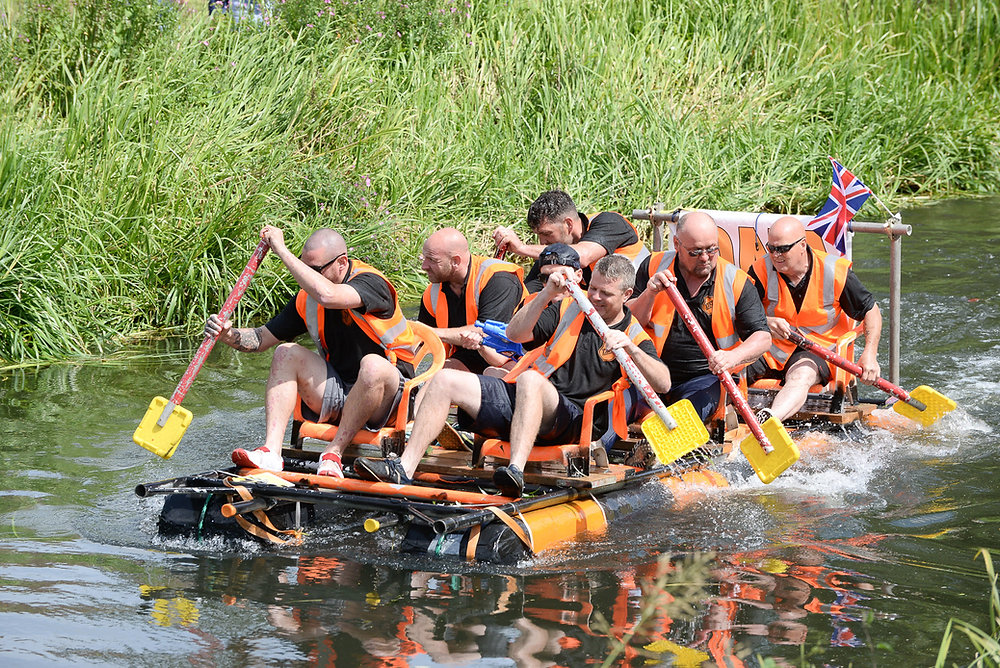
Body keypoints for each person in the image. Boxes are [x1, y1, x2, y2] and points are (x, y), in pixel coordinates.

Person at [353, 254, 670, 497]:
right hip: (525, 402)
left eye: (606, 294)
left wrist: (633, 351)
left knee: (532, 381)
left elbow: (664, 384)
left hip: (572, 421)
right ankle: (403, 469)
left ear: (627, 294)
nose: (596, 298)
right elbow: (515, 334)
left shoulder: (633, 334)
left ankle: (515, 470)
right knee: (445, 379)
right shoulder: (570, 307)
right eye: (594, 289)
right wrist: (546, 294)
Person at [205, 226, 419, 477]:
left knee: (372, 365)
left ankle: (333, 454)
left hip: (390, 399)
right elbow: (261, 339)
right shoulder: (307, 298)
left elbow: (329, 295)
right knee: (285, 352)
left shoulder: (372, 283)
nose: (306, 277)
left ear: (341, 263)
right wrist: (228, 334)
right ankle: (271, 452)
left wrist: (281, 251)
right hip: (342, 392)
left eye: (314, 271)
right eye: (305, 268)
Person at [628, 211, 772, 424]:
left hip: (706, 379)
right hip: (653, 372)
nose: (705, 258)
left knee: (688, 414)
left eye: (712, 249)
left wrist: (731, 358)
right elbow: (631, 321)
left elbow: (763, 337)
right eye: (695, 252)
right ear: (677, 244)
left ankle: (663, 450)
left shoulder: (736, 281)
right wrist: (650, 293)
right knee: (619, 403)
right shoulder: (653, 266)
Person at [746, 216, 882, 421]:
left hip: (817, 350)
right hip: (772, 349)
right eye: (771, 248)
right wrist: (765, 322)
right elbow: (741, 315)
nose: (775, 255)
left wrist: (870, 354)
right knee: (732, 365)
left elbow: (871, 310)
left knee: (801, 375)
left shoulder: (835, 271)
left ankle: (769, 421)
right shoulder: (759, 270)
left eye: (782, 249)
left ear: (802, 245)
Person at [493, 189, 650, 293]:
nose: (542, 242)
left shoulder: (611, 222)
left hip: (641, 308)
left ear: (568, 224)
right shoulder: (553, 252)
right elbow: (528, 294)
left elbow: (580, 256)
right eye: (538, 235)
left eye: (547, 233)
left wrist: (521, 248)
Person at [417, 228, 527, 374]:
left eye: (432, 260)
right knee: (440, 375)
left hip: (512, 355)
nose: (424, 266)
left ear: (455, 261)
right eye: (424, 258)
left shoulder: (500, 278)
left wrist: (432, 332)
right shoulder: (432, 293)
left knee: (494, 373)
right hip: (470, 354)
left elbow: (487, 334)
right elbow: (419, 342)